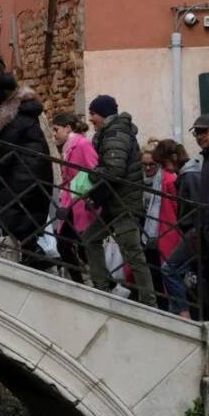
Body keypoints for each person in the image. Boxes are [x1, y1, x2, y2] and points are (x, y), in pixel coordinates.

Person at [81, 95, 157, 306]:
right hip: (114, 201)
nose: (90, 119)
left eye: (93, 114)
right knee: (90, 238)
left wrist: (91, 175)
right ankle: (102, 286)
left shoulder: (115, 132)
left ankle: (149, 302)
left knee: (132, 251)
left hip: (124, 203)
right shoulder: (111, 132)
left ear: (103, 114)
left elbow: (114, 169)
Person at [161, 115, 209, 317]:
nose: (199, 136)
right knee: (190, 273)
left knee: (175, 269)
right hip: (208, 230)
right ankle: (195, 319)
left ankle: (199, 320)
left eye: (203, 131)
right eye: (197, 132)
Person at [0, 79, 54, 267]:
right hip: (37, 170)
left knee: (5, 207)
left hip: (24, 171)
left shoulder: (13, 117)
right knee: (27, 211)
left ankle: (32, 252)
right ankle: (31, 251)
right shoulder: (27, 112)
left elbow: (7, 151)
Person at [52, 113, 98, 283]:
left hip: (81, 202)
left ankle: (92, 282)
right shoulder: (68, 147)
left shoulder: (82, 144)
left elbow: (94, 169)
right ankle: (82, 281)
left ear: (68, 128)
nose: (54, 134)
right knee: (67, 244)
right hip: (71, 203)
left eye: (56, 129)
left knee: (77, 245)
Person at [140, 145, 181, 309]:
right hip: (146, 230)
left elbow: (175, 207)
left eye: (152, 164)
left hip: (163, 230)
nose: (148, 168)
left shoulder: (167, 179)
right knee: (151, 270)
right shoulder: (140, 180)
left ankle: (167, 306)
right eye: (145, 165)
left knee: (162, 270)